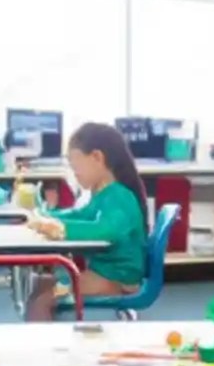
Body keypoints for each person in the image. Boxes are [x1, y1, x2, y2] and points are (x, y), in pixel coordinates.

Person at [24, 123, 148, 321]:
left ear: (97, 157)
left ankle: (44, 347)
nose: (75, 174)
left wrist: (60, 229)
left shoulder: (119, 197)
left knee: (42, 301)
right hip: (103, 275)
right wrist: (49, 216)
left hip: (116, 280)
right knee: (41, 284)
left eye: (77, 168)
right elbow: (80, 214)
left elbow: (105, 230)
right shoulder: (102, 194)